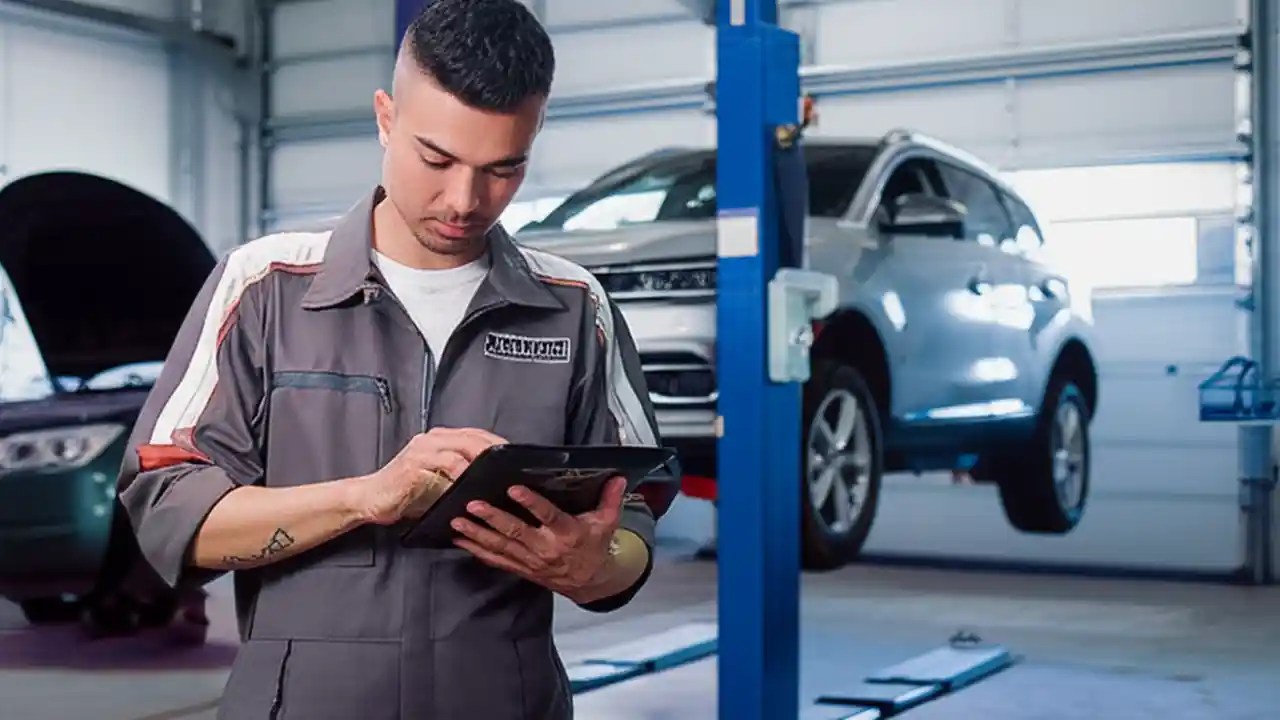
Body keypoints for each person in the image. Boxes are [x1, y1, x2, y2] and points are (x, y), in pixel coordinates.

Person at [113, 1, 677, 717]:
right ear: (385, 118)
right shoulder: (264, 289)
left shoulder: (574, 306)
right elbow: (165, 506)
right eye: (436, 159)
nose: (465, 200)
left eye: (503, 169)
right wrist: (362, 497)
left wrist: (598, 566)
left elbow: (636, 508)